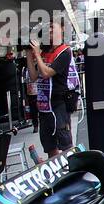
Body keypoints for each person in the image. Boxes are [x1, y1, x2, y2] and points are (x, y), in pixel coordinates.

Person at [27, 19, 74, 155]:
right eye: (48, 28)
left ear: (62, 29)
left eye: (53, 27)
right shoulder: (45, 51)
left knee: (65, 145)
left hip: (58, 104)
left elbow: (47, 73)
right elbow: (34, 77)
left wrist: (37, 54)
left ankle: (73, 170)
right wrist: (29, 56)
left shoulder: (64, 52)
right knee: (49, 146)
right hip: (43, 106)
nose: (50, 30)